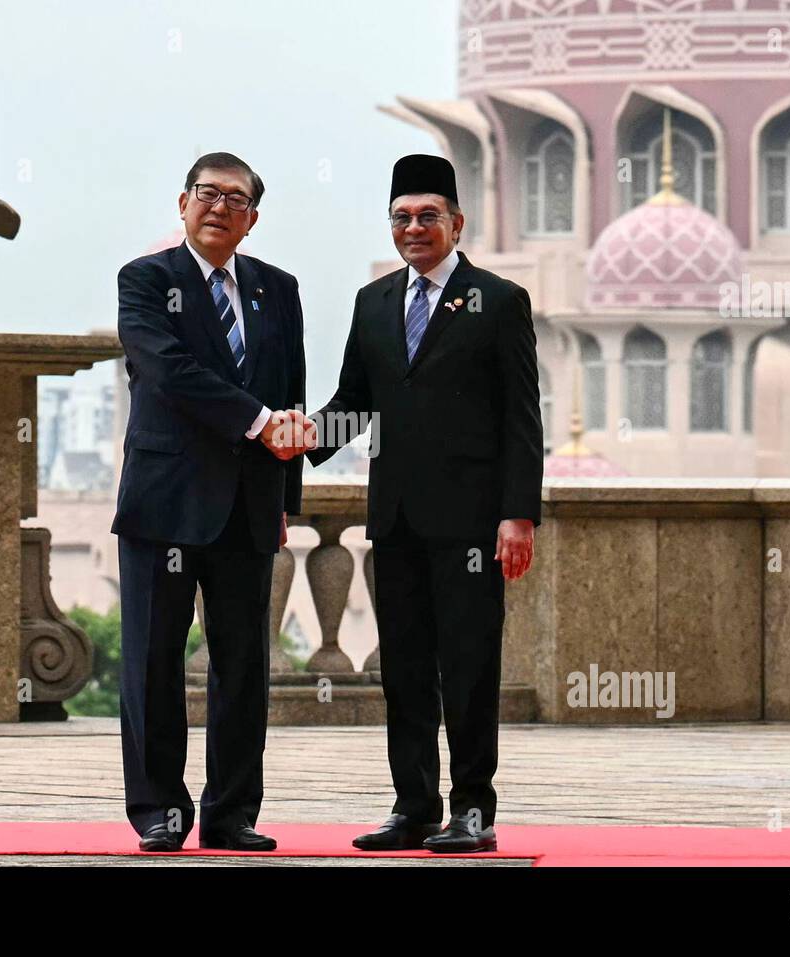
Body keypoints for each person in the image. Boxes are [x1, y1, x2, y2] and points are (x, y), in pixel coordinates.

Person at [308, 154, 544, 853]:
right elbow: (354, 407)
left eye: (428, 216)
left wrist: (518, 513)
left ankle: (473, 809)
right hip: (396, 520)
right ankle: (413, 806)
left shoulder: (498, 301)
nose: (414, 228)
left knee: (469, 667)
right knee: (404, 669)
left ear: (456, 222)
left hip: (473, 523)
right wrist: (289, 438)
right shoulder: (373, 302)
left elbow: (520, 418)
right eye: (402, 217)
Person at [114, 151, 315, 852]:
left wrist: (285, 494)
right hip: (163, 503)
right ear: (182, 203)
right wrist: (260, 422)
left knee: (243, 668)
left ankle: (232, 812)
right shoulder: (146, 280)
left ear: (252, 219)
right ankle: (160, 809)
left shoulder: (277, 289)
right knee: (153, 660)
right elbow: (168, 371)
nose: (219, 207)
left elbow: (289, 386)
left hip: (248, 506)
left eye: (236, 199)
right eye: (208, 193)